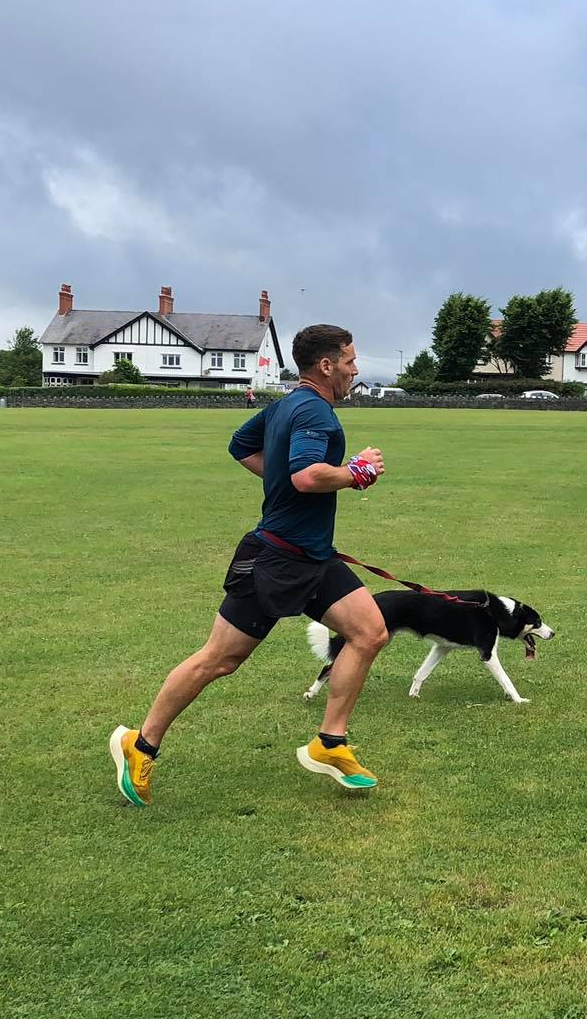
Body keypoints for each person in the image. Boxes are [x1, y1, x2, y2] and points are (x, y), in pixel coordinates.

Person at [111, 324, 389, 805]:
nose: (355, 369)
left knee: (370, 632)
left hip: (314, 557)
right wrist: (357, 472)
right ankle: (141, 744)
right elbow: (307, 477)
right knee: (219, 660)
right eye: (349, 361)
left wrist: (283, 480)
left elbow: (241, 446)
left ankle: (329, 744)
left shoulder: (285, 405)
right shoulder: (313, 412)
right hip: (276, 560)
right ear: (326, 366)